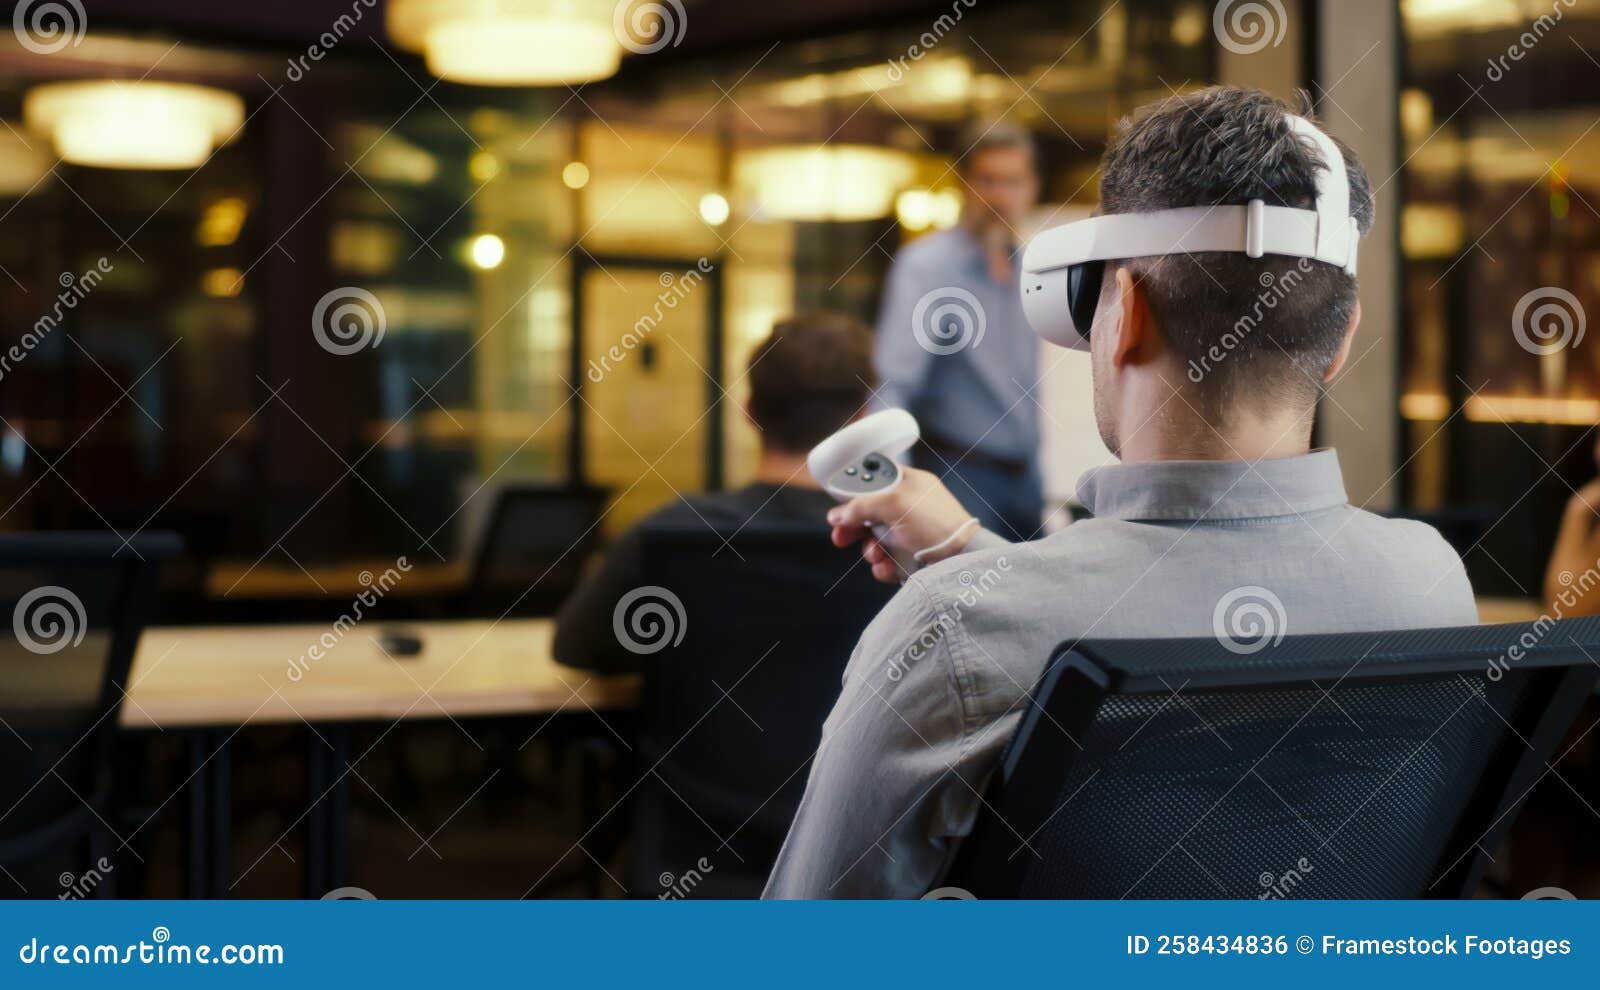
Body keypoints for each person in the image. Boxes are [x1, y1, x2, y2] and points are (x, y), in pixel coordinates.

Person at [762, 87, 1479, 899]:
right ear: (1342, 340)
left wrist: (971, 603)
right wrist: (970, 558)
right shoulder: (1429, 584)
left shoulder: (953, 639)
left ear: (1126, 309)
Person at [553, 311, 876, 673]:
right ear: (863, 418)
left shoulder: (674, 532)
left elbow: (574, 647)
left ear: (748, 411)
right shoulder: (888, 545)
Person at [873, 120, 1043, 542]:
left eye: (1012, 182)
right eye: (987, 181)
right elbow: (892, 385)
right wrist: (894, 493)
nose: (999, 196)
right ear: (964, 185)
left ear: (1031, 188)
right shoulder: (926, 266)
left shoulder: (1031, 266)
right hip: (959, 473)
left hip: (1025, 477)